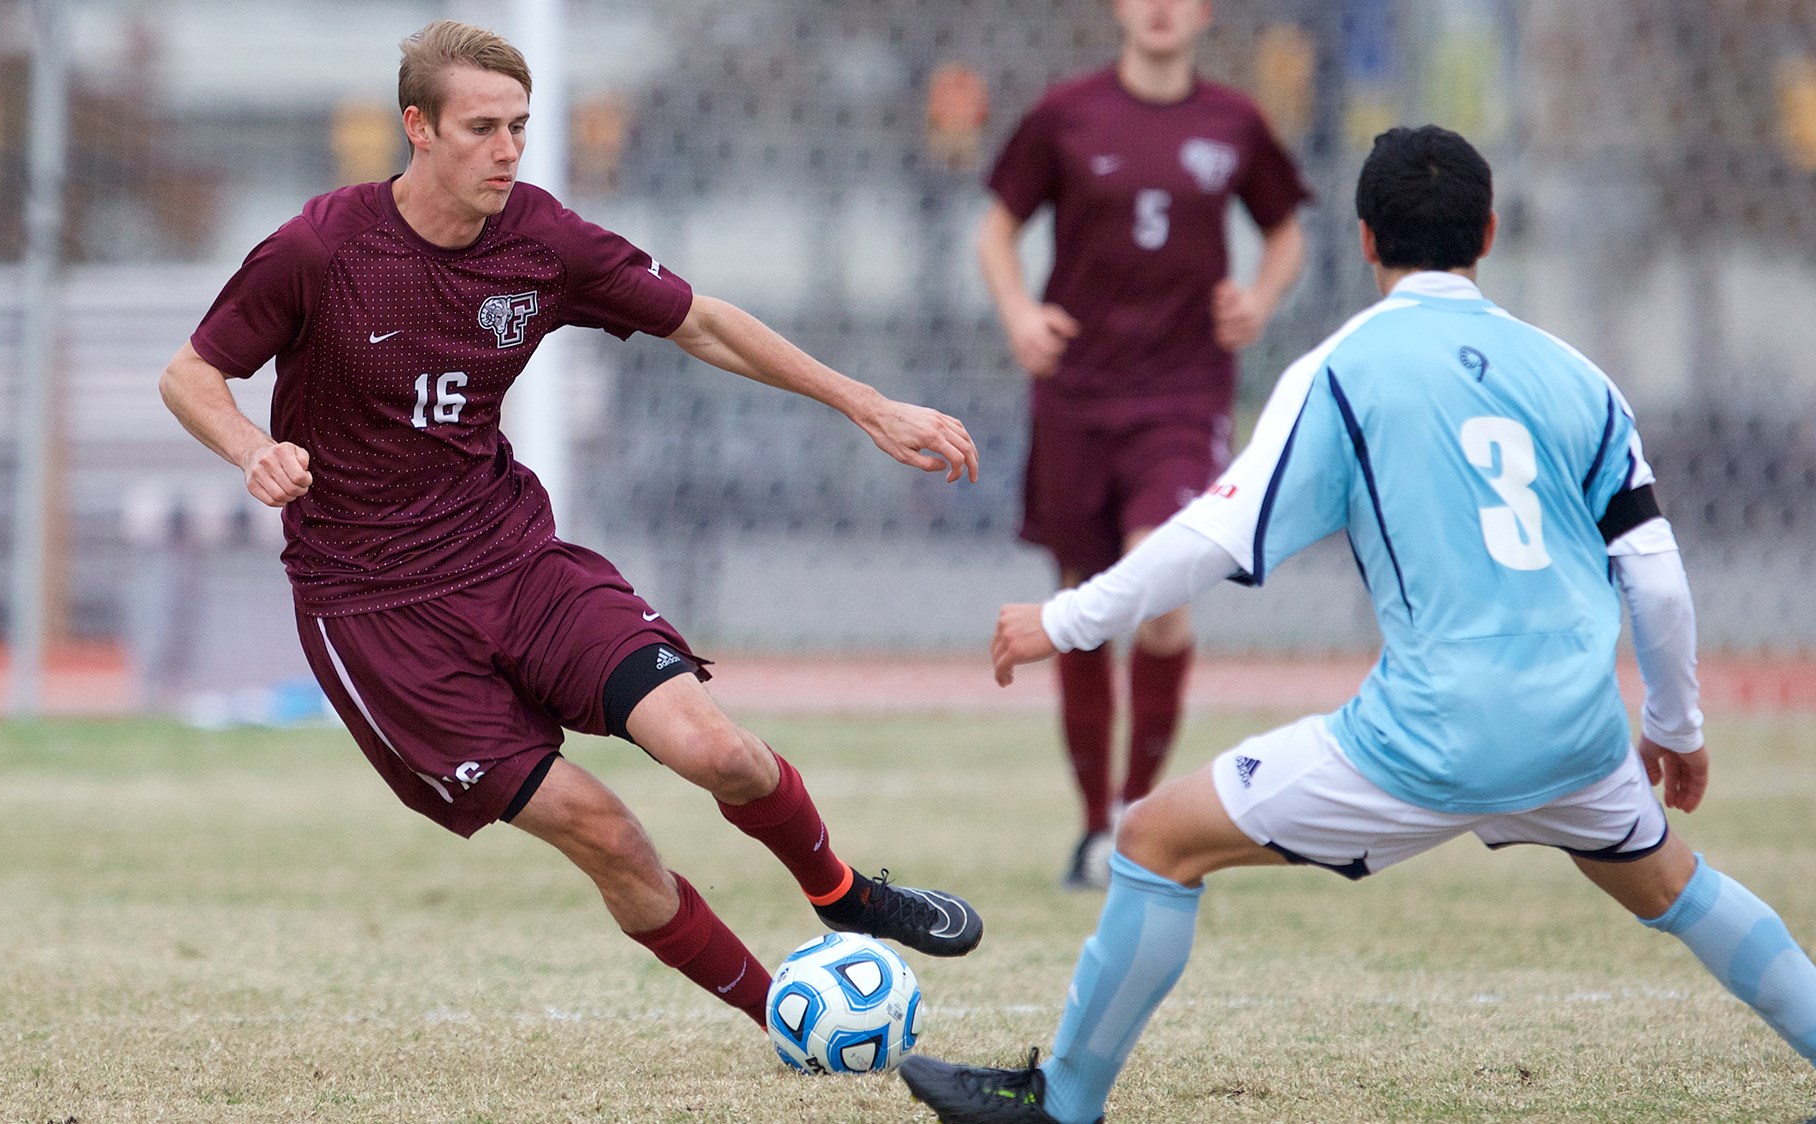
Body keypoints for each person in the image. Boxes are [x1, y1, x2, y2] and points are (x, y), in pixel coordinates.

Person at [900, 125, 1816, 1123]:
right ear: (1489, 233)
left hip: (1425, 731)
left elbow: (1212, 530)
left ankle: (1061, 1103)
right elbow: (1655, 574)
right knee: (1672, 888)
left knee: (1153, 838)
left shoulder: (1341, 370)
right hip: (1575, 726)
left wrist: (1064, 618)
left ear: (1366, 239)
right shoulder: (1573, 375)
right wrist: (1674, 727)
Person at [158, 20, 985, 1031]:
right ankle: (790, 1018)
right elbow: (189, 372)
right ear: (417, 128)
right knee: (606, 831)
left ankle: (842, 892)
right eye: (481, 128)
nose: (508, 150)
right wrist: (252, 447)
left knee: (712, 746)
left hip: (511, 558)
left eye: (519, 126)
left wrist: (866, 403)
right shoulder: (323, 246)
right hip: (377, 612)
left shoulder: (540, 239)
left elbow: (704, 320)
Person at [978, 0, 1309, 888]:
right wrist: (1018, 313)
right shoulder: (1065, 113)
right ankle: (1093, 828)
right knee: (1082, 605)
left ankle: (1135, 813)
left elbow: (1285, 227)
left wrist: (1262, 297)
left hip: (1182, 395)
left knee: (1160, 597)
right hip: (1077, 397)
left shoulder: (1235, 122)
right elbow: (997, 226)